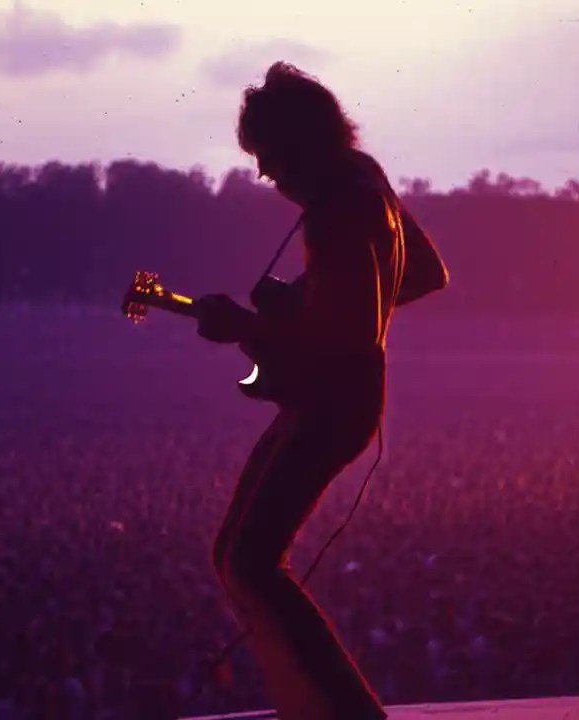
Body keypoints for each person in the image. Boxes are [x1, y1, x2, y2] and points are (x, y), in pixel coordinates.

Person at [192, 61, 449, 720]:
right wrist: (310, 299)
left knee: (250, 562)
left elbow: (339, 340)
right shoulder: (365, 178)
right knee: (235, 555)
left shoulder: (334, 216)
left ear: (302, 145)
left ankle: (342, 711)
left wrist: (246, 326)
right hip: (339, 398)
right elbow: (421, 272)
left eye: (269, 157)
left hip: (331, 401)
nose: (264, 174)